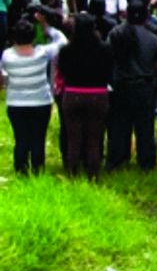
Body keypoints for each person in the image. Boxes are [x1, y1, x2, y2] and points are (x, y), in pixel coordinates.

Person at [2, 18, 66, 174]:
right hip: (41, 102)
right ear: (33, 37)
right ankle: (38, 168)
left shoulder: (7, 55)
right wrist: (47, 28)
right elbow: (63, 41)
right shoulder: (43, 52)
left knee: (21, 138)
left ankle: (21, 169)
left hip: (16, 103)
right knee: (38, 138)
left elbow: (2, 77)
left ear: (14, 37)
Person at [107, 1, 157, 171]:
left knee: (119, 126)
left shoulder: (115, 34)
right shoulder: (153, 39)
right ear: (146, 17)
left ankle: (118, 159)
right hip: (144, 87)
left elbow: (108, 57)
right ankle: (146, 162)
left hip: (121, 86)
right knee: (145, 127)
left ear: (126, 14)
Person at [57, 14, 111, 178]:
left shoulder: (66, 50)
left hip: (73, 94)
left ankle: (72, 172)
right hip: (98, 95)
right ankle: (93, 173)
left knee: (74, 138)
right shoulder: (104, 49)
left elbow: (63, 71)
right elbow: (109, 71)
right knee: (94, 138)